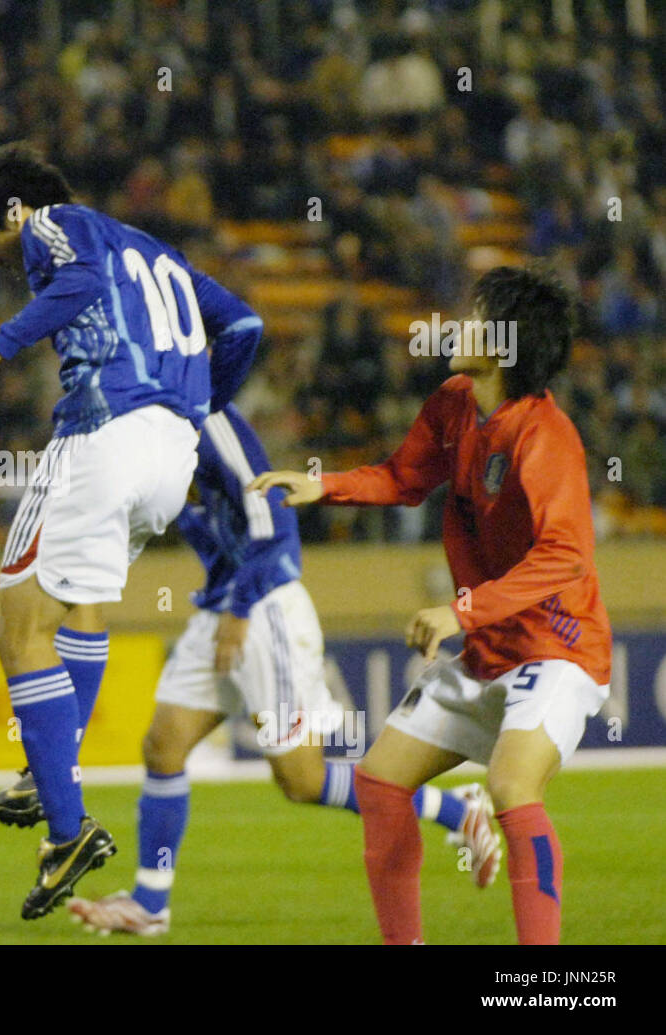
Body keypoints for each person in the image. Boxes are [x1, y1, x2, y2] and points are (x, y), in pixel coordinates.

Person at [0, 399, 500, 936]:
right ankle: (150, 902)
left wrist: (238, 610)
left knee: (301, 781)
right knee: (163, 745)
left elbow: (275, 521)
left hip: (263, 609)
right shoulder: (152, 425)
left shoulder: (210, 418)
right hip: (220, 605)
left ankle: (457, 810)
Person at [0, 142, 260, 919]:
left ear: (10, 211)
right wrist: (200, 408)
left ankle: (68, 829)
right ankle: (50, 779)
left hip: (103, 429)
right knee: (78, 607)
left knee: (21, 624)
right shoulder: (163, 255)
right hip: (169, 459)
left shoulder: (49, 220)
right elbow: (245, 323)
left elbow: (74, 281)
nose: (1, 257)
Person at [250, 266, 611, 945]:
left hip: (556, 647)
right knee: (380, 780)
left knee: (510, 786)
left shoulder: (545, 436)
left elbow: (566, 555)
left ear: (504, 344)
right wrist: (322, 485)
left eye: (474, 315)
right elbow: (404, 476)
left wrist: (461, 610)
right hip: (488, 649)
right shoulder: (454, 401)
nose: (456, 323)